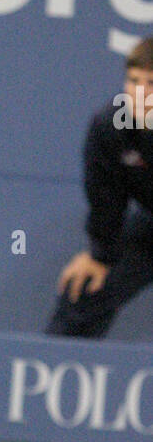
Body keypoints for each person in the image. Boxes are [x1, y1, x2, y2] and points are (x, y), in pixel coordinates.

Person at [47, 38, 153, 337]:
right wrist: (100, 255)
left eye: (152, 83)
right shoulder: (111, 126)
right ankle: (54, 372)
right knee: (86, 289)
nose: (141, 93)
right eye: (134, 81)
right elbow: (106, 198)